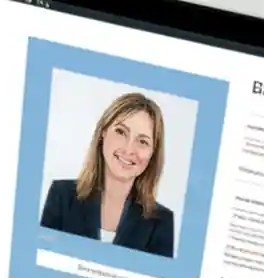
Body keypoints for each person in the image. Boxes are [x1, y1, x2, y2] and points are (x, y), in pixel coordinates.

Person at [41, 92, 175, 258]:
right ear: (103, 132)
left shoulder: (162, 222)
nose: (128, 149)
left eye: (142, 141)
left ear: (153, 153)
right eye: (121, 132)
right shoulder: (61, 196)